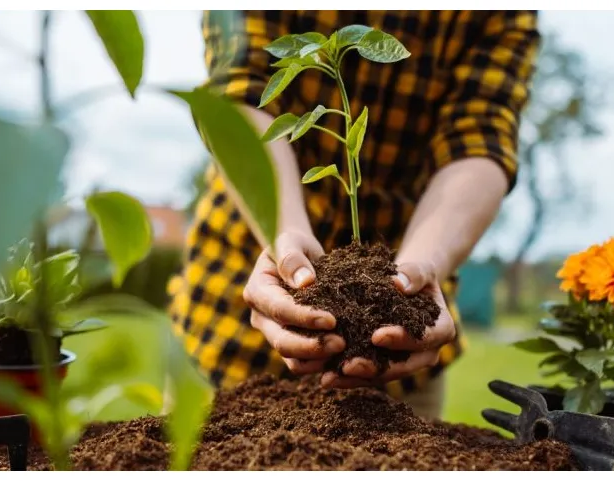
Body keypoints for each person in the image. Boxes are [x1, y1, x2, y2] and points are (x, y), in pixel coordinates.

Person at [167, 10, 540, 419]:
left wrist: (420, 266)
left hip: (396, 359)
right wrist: (284, 233)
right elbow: (238, 85)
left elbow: (481, 134)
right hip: (233, 315)